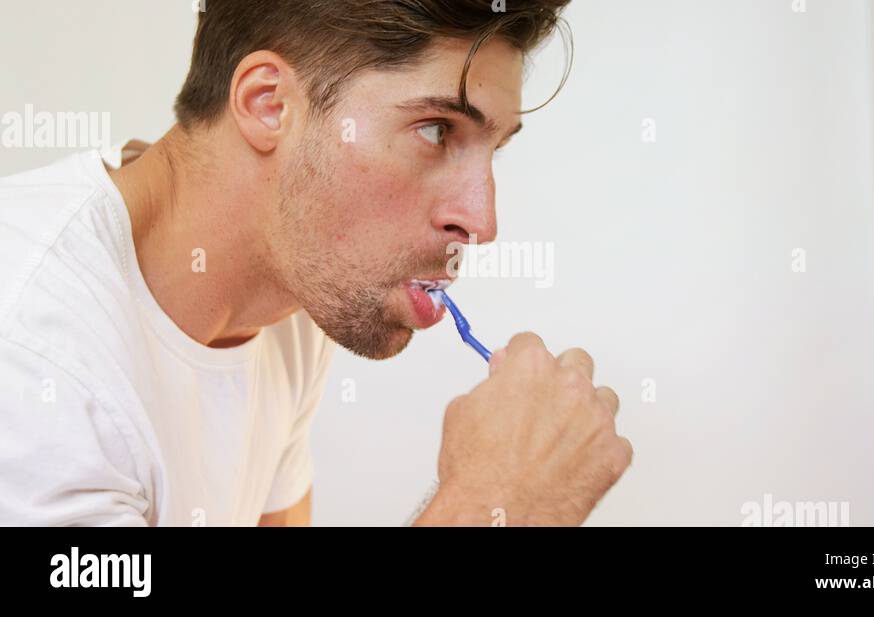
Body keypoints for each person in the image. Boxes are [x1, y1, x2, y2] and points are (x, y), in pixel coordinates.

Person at [0, 0, 631, 526]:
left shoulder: (292, 285)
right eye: (437, 131)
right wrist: (495, 505)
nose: (482, 223)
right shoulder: (32, 353)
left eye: (493, 148)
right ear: (269, 103)